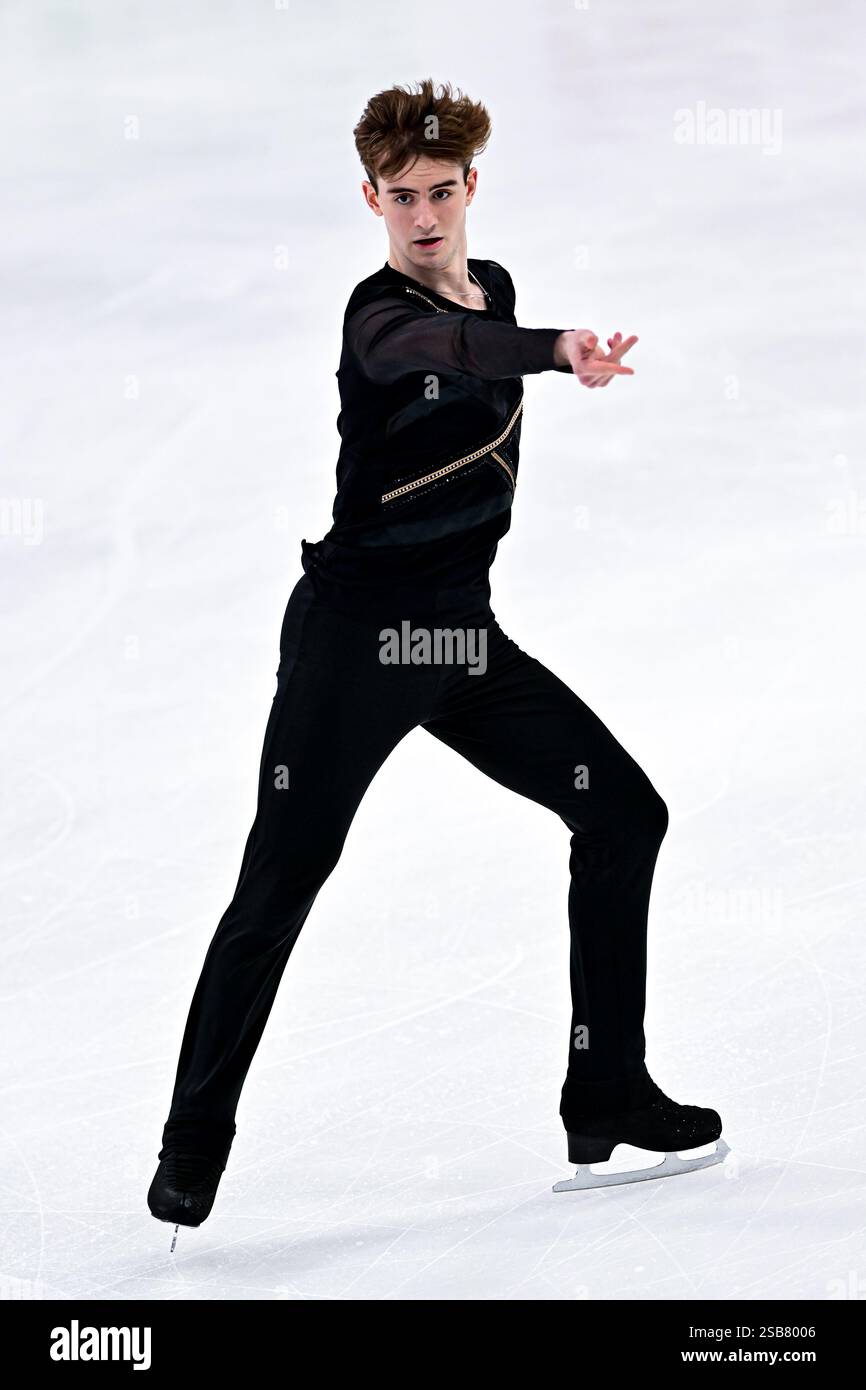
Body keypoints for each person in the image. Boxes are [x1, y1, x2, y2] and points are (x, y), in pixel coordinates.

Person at [148, 78, 726, 1235]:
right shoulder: (378, 320)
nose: (424, 215)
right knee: (276, 888)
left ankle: (602, 1087)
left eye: (443, 192)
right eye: (401, 195)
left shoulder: (492, 286)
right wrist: (558, 350)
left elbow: (481, 320)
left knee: (622, 813)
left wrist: (535, 336)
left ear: (473, 187)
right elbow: (452, 344)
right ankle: (188, 1151)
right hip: (353, 646)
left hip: (454, 637)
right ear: (369, 197)